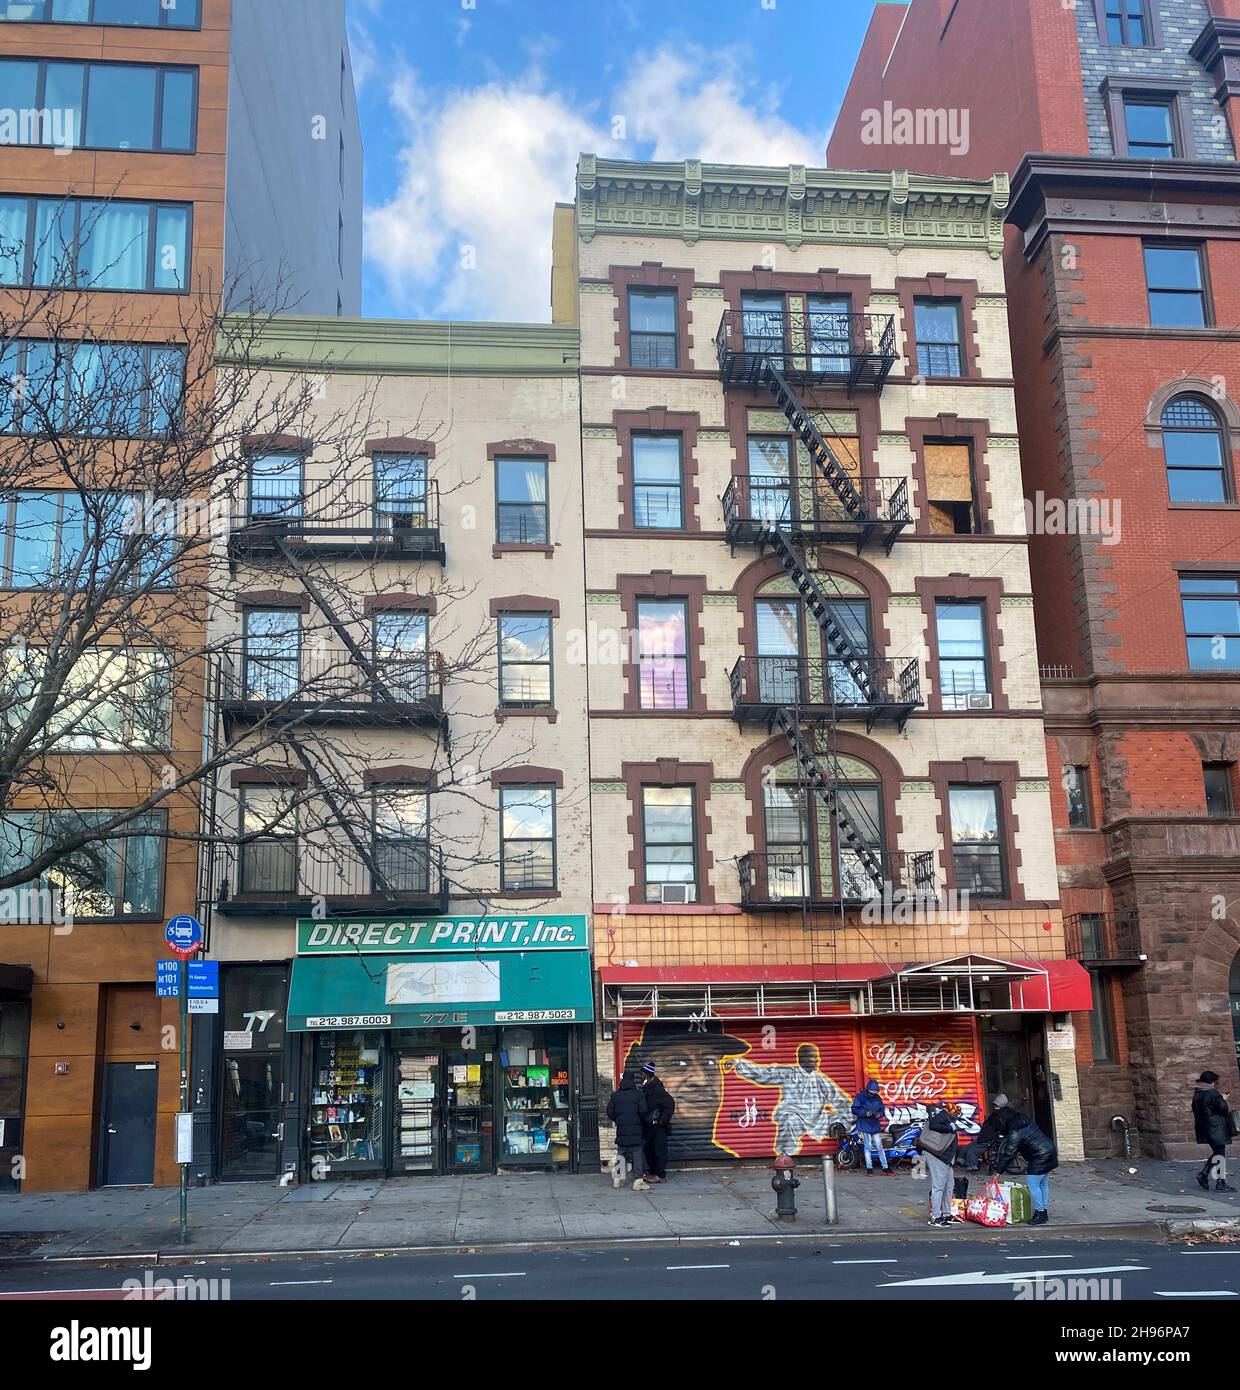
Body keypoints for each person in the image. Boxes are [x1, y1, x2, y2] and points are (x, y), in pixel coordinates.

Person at [726, 1043, 852, 1156]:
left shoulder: (820, 1079)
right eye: (814, 1057)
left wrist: (845, 1119)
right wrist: (738, 1063)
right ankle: (785, 1159)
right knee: (789, 1122)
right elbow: (763, 1073)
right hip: (793, 1116)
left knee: (840, 1123)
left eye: (817, 1056)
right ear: (803, 1059)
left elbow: (840, 1100)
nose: (818, 1060)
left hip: (817, 1119)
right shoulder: (788, 1073)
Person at [993, 1105, 1057, 1225]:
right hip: (1049, 1150)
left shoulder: (1015, 1132)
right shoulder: (1024, 1121)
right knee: (1043, 1184)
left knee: (1033, 1184)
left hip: (1039, 1156)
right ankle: (1043, 1211)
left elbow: (1009, 1153)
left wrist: (998, 1171)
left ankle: (1040, 1213)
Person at [606, 1069, 650, 1191]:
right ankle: (637, 1180)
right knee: (637, 1154)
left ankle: (617, 1179)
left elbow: (609, 1112)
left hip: (622, 1130)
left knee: (621, 1153)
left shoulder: (616, 1096)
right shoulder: (638, 1095)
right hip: (636, 1130)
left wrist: (619, 1120)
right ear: (633, 1080)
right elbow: (644, 1111)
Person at [1192, 1070, 1235, 1193]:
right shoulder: (1212, 1093)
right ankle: (1218, 1181)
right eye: (1215, 1082)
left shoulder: (1198, 1093)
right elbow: (1223, 1109)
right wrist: (1224, 1099)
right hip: (1215, 1128)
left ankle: (1207, 1175)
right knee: (1219, 1154)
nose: (1216, 1084)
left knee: (1218, 1153)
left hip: (1204, 1127)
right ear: (1211, 1082)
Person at [961, 1093, 1027, 1171]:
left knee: (972, 1152)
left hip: (991, 1136)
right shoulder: (997, 1113)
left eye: (996, 1105)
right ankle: (963, 1163)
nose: (995, 1107)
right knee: (966, 1149)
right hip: (986, 1135)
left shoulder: (1004, 1114)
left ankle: (972, 1167)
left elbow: (1001, 1126)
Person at [920, 1099, 960, 1226]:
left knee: (949, 1186)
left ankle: (947, 1214)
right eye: (957, 1114)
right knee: (938, 1187)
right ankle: (935, 1217)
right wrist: (949, 1127)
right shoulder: (942, 1116)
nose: (957, 1117)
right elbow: (934, 1125)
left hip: (946, 1158)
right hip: (938, 1157)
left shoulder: (947, 1117)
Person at [640, 1060, 676, 1184]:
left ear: (647, 1075)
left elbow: (670, 1104)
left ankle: (660, 1175)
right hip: (649, 1126)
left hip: (658, 1127)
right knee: (649, 1149)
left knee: (659, 1150)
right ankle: (653, 1172)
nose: (640, 1077)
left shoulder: (657, 1088)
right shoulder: (646, 1087)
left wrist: (661, 1121)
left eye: (641, 1074)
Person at [851, 1078, 890, 1174]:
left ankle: (885, 1167)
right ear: (867, 1090)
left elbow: (882, 1110)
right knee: (868, 1146)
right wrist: (865, 1113)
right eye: (871, 1093)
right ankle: (869, 1168)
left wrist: (879, 1115)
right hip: (864, 1125)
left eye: (874, 1093)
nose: (873, 1094)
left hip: (874, 1124)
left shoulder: (878, 1098)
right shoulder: (860, 1097)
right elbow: (854, 1109)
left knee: (879, 1146)